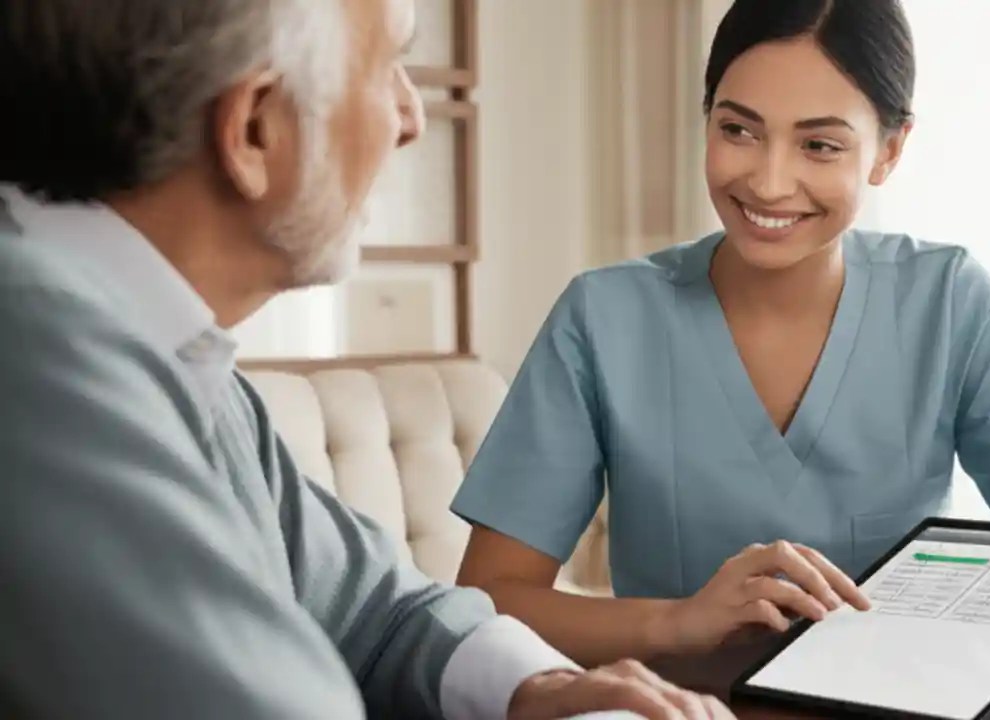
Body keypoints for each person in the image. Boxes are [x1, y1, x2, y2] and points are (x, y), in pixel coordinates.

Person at [0, 1, 732, 718]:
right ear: (254, 128)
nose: (411, 120)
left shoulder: (180, 359)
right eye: (388, 70)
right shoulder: (35, 374)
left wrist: (532, 688)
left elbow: (377, 611)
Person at [450, 0, 990, 705]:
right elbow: (489, 599)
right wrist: (679, 622)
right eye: (738, 130)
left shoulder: (950, 304)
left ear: (889, 150)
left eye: (819, 145)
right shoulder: (603, 318)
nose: (768, 181)